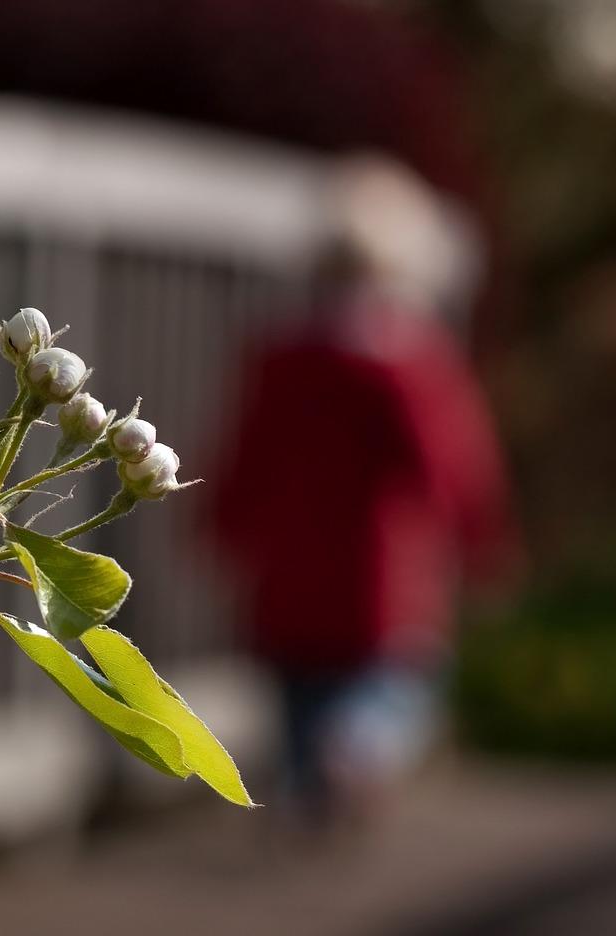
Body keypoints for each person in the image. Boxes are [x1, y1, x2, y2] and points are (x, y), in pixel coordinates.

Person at [212, 156, 518, 827]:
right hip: (380, 577)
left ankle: (304, 792)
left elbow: (246, 456)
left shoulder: (283, 357)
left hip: (289, 576)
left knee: (298, 693)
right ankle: (354, 758)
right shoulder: (410, 364)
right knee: (391, 694)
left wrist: (223, 525)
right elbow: (451, 466)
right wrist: (479, 538)